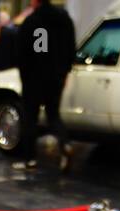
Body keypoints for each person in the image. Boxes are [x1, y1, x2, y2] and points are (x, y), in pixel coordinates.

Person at [15, 0, 76, 172]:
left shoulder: (31, 21)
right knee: (53, 115)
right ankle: (65, 144)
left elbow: (22, 52)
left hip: (34, 77)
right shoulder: (64, 18)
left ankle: (30, 159)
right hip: (56, 77)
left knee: (30, 117)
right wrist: (65, 71)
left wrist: (24, 76)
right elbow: (70, 47)